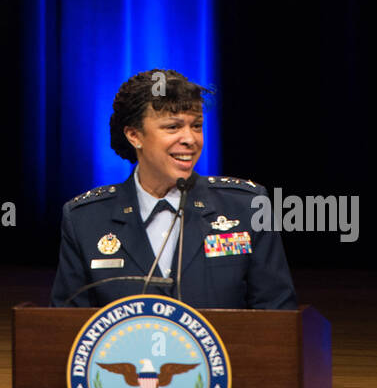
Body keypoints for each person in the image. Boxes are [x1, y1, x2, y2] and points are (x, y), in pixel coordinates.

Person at [50, 69, 298, 310]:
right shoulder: (85, 219)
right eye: (173, 127)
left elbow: (278, 316)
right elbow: (67, 329)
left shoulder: (247, 207)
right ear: (134, 135)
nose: (190, 139)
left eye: (197, 126)